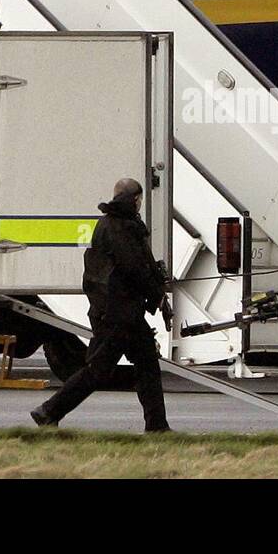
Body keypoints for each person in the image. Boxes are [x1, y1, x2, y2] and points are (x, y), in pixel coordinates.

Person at [31, 177, 172, 433]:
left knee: (146, 366)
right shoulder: (122, 227)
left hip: (118, 313)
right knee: (99, 371)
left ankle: (157, 426)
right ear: (136, 199)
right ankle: (48, 411)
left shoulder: (112, 224)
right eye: (139, 198)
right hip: (119, 316)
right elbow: (136, 269)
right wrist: (157, 294)